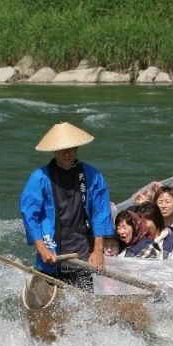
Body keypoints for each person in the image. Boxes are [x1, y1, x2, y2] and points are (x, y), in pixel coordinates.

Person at [19, 121, 114, 289]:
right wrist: (42, 249)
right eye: (63, 149)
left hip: (82, 252)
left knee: (83, 300)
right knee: (49, 301)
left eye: (72, 149)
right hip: (52, 253)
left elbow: (101, 211)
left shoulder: (93, 175)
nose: (68, 154)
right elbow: (29, 215)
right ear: (54, 150)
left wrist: (98, 249)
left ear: (77, 149)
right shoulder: (39, 178)